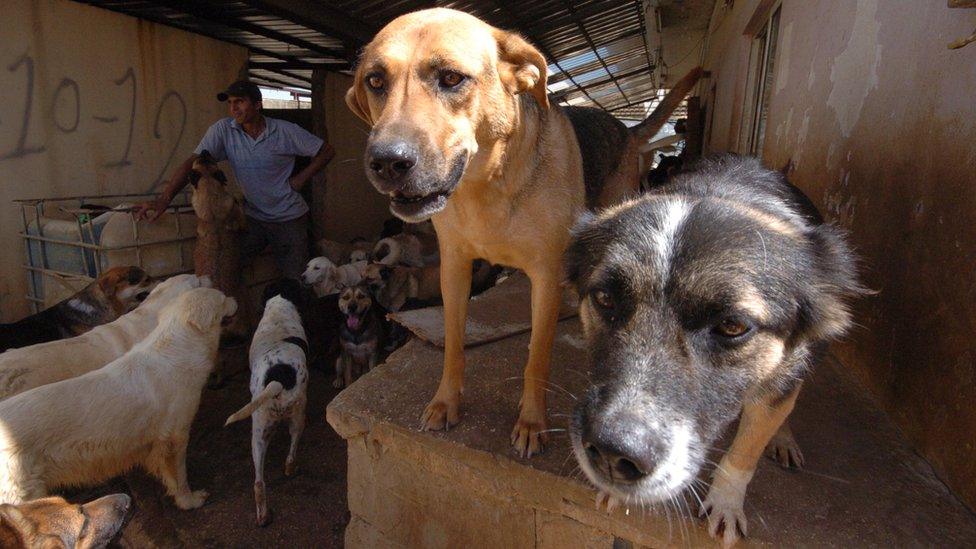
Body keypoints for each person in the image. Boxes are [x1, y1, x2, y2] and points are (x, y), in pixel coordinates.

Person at [135, 80, 335, 279]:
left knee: (296, 278)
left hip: (288, 218)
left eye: (239, 101)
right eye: (230, 102)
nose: (233, 108)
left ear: (258, 104)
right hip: (253, 218)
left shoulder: (285, 131)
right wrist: (164, 200)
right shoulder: (224, 130)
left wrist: (300, 179)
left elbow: (326, 151)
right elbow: (192, 163)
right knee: (228, 266)